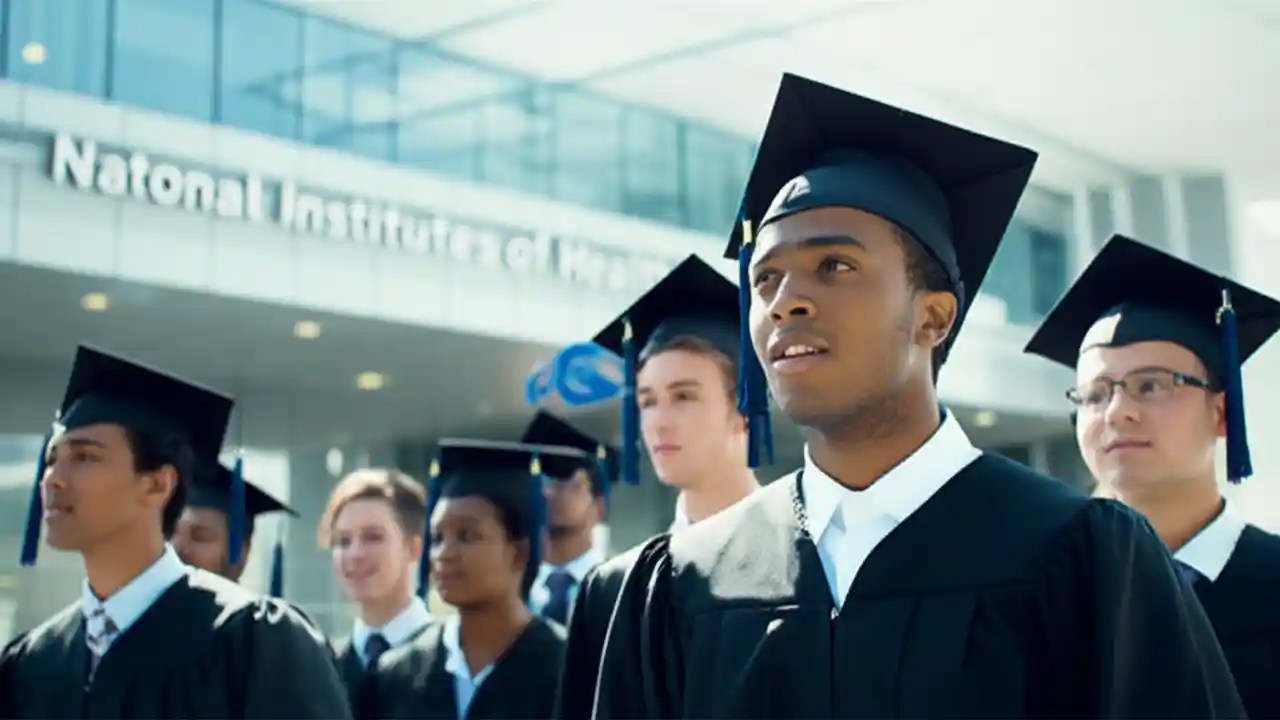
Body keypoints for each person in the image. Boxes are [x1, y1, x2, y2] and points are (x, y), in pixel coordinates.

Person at [564, 73, 1245, 719]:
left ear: (935, 317)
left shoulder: (1081, 553)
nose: (785, 302)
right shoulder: (684, 580)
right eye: (765, 279)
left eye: (835, 266)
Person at [0, 345, 350, 719]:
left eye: (85, 457)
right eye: (53, 459)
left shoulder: (256, 643)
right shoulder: (33, 661)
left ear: (157, 485)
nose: (53, 479)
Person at [1025, 233, 1280, 719]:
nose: (1118, 412)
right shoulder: (1034, 591)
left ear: (1223, 414)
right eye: (1096, 394)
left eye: (1150, 385)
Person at [555, 253, 763, 719]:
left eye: (684, 396)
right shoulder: (612, 590)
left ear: (744, 408)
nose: (658, 422)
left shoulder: (808, 565)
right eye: (647, 402)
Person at [363, 440, 568, 720]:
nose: (444, 554)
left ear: (519, 552)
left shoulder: (570, 669)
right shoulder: (396, 674)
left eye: (467, 536)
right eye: (437, 538)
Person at [320, 468, 434, 709]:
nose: (355, 554)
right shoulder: (322, 664)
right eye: (343, 541)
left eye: (373, 537)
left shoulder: (448, 661)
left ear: (413, 548)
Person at [520, 410, 615, 625]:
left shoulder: (621, 588)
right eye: (541, 482)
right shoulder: (511, 590)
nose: (549, 492)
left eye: (568, 482)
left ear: (599, 507)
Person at [173, 460, 295, 592]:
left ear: (241, 553)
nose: (176, 548)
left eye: (200, 537)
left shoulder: (251, 613)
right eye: (168, 534)